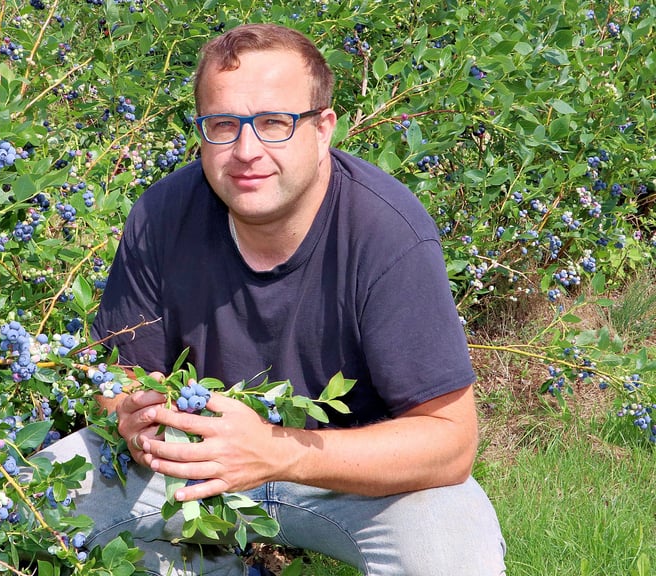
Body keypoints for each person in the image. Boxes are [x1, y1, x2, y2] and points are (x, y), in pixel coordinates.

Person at [41, 23, 506, 575]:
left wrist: (273, 451)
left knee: (453, 560)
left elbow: (451, 444)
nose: (245, 150)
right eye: (223, 125)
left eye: (273, 124)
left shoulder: (387, 234)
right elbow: (120, 379)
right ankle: (211, 563)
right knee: (28, 506)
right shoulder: (162, 214)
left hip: (349, 480)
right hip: (194, 467)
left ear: (323, 129)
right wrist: (133, 416)